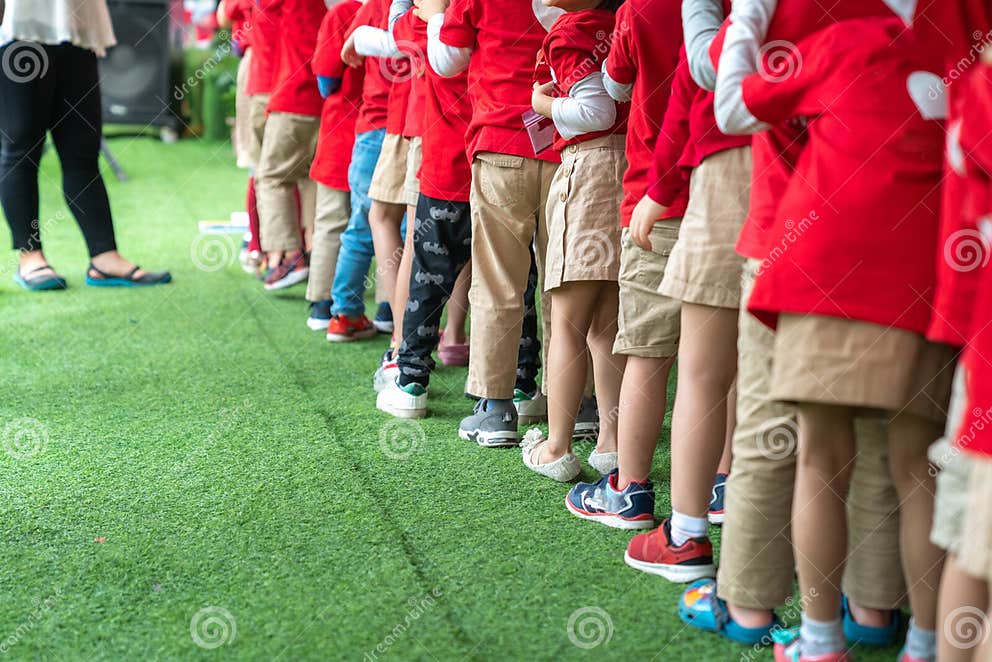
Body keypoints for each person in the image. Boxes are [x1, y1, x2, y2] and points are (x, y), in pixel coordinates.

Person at [733, 16, 954, 661]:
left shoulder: (838, 42)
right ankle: (925, 645)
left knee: (820, 461)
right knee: (918, 472)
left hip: (826, 264)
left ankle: (821, 642)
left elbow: (733, 102)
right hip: (929, 273)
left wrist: (744, 14)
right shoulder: (962, 52)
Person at [516, 0, 628, 481]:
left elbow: (594, 111)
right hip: (628, 167)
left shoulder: (572, 32)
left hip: (589, 168)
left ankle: (557, 447)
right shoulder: (619, 21)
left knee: (567, 321)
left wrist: (541, 105)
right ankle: (611, 443)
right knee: (607, 322)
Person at [0, 0, 170, 289]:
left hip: (78, 27)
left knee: (83, 151)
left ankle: (104, 257)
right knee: (22, 150)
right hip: (21, 27)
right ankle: (31, 257)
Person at [255, 0, 326, 291]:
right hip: (320, 101)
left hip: (292, 99)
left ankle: (287, 257)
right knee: (311, 178)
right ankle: (313, 253)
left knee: (271, 177)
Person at [304, 0, 365, 330]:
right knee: (388, 226)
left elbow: (326, 79)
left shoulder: (343, 13)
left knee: (331, 221)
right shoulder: (407, 11)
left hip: (343, 131)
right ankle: (387, 310)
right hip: (389, 133)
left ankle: (322, 305)